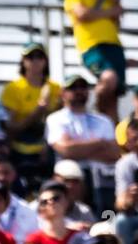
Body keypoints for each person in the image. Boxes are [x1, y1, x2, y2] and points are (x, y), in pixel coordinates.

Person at [62, 0, 127, 123]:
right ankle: (94, 112)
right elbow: (82, 14)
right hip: (92, 46)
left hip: (114, 46)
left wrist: (117, 5)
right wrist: (111, 11)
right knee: (109, 79)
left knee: (113, 99)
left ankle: (112, 138)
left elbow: (116, 25)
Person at [45, 75, 122, 215]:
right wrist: (100, 143)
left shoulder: (103, 120)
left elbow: (114, 153)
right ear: (62, 92)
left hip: (101, 178)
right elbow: (66, 150)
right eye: (73, 87)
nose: (79, 91)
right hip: (71, 177)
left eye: (83, 87)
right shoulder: (55, 119)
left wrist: (78, 146)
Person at [0, 42, 62, 175]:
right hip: (20, 147)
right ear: (23, 61)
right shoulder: (13, 88)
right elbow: (11, 128)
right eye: (30, 57)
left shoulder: (56, 88)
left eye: (40, 56)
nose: (35, 61)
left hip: (48, 147)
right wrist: (39, 110)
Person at [23, 180, 77, 244]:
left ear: (66, 201)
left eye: (56, 198)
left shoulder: (78, 236)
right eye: (44, 202)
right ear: (40, 210)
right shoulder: (34, 241)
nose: (51, 202)